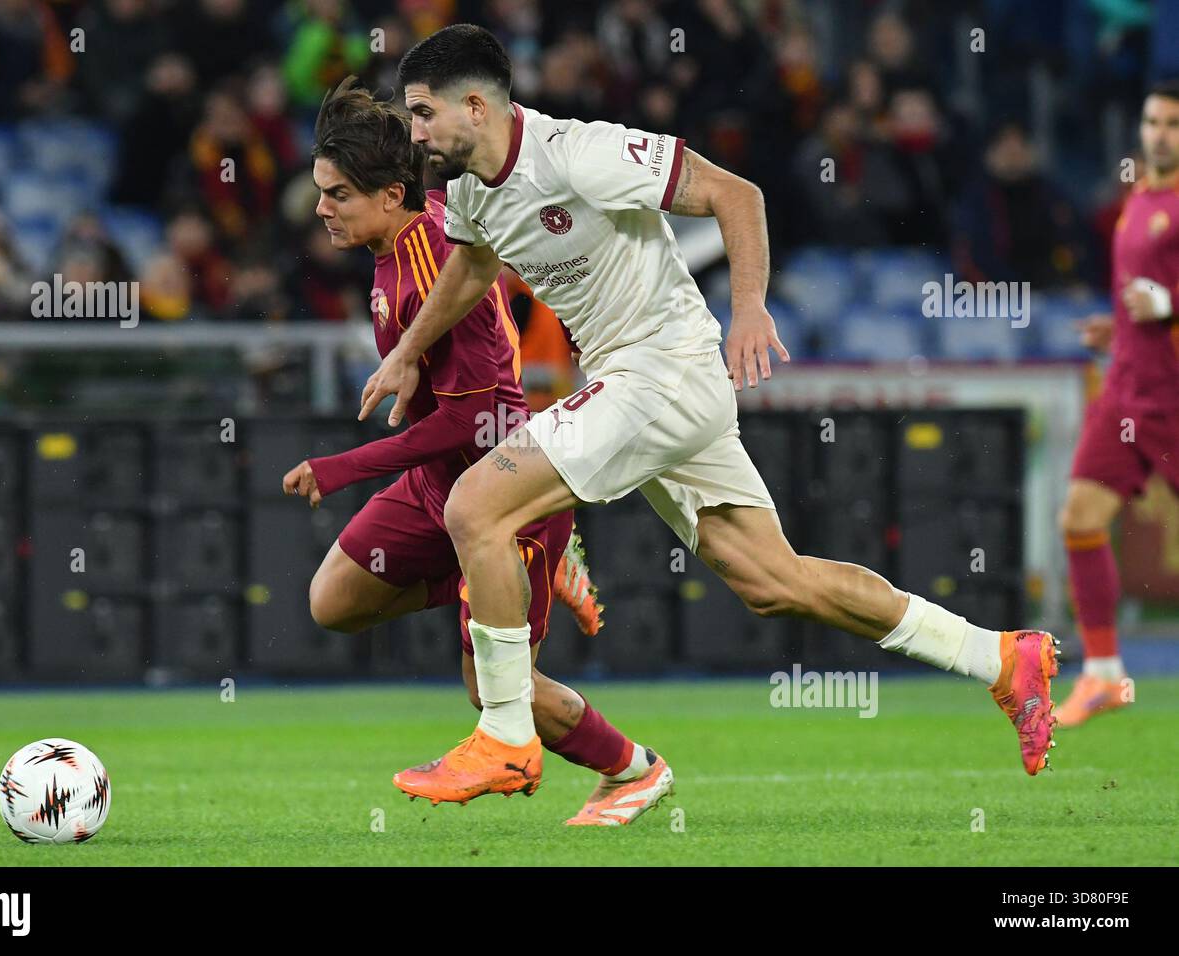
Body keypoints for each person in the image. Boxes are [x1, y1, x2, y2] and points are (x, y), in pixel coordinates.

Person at [358, 25, 1059, 807]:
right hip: (646, 385)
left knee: (474, 508)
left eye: (422, 114)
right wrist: (410, 350)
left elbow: (737, 194)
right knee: (774, 579)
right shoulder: (466, 190)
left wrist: (750, 309)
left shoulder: (579, 152)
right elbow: (476, 261)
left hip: (663, 370)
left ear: (477, 106)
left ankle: (508, 737)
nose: (413, 132)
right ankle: (1000, 657)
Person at [281, 78, 672, 825]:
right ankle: (520, 581)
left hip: (500, 488)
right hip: (438, 487)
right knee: (333, 602)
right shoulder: (400, 238)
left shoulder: (430, 258)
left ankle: (634, 770)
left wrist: (344, 466)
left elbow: (480, 423)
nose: (322, 208)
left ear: (391, 193)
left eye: (336, 195)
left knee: (493, 688)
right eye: (321, 191)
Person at [1057, 80, 1179, 727]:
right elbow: (1143, 295)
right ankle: (1104, 673)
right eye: (1153, 122)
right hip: (1127, 388)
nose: (1159, 134)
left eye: (1172, 125)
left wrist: (1170, 307)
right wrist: (1122, 327)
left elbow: (1166, 296)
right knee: (1079, 517)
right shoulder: (1138, 199)